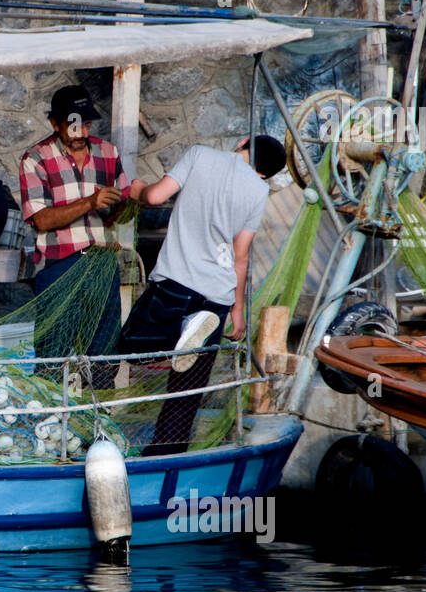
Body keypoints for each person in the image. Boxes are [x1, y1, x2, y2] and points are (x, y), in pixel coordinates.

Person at [118, 135, 286, 455]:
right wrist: (237, 311)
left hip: (176, 284)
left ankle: (183, 333)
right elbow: (241, 255)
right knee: (188, 390)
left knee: (132, 345)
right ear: (266, 173)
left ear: (242, 142)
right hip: (217, 299)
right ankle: (165, 457)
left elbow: (155, 197)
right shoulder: (260, 189)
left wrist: (136, 187)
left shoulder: (199, 154)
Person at [19, 85, 128, 369]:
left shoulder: (108, 153)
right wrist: (90, 203)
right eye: (73, 125)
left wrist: (122, 215)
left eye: (87, 123)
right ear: (55, 123)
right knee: (53, 357)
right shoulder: (36, 158)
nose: (81, 131)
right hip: (59, 267)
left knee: (104, 357)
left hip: (102, 266)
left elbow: (122, 204)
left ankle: (97, 413)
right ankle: (51, 413)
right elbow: (41, 219)